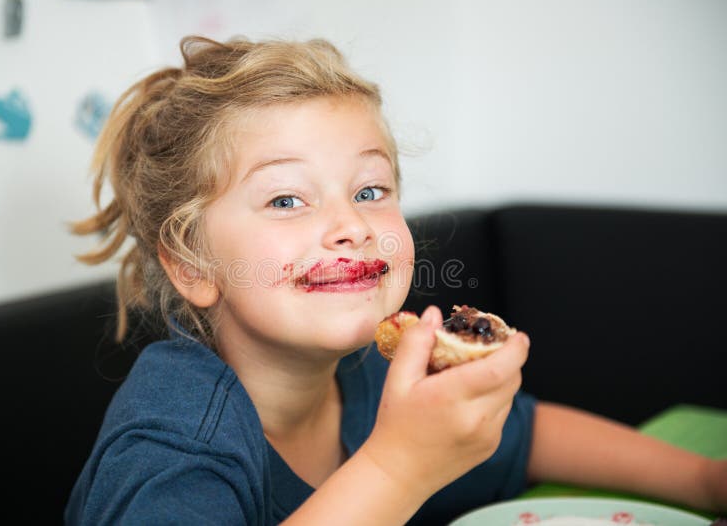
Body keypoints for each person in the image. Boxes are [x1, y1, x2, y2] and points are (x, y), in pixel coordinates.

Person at [65, 35, 726, 525]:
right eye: (287, 200)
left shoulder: (372, 376)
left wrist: (703, 480)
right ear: (191, 264)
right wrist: (402, 464)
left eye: (371, 189)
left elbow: (529, 439)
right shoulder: (174, 433)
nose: (350, 224)